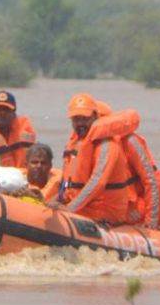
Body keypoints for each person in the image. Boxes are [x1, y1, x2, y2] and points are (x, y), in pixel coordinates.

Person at [50, 93, 133, 224]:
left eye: (85, 119)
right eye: (76, 119)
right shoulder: (76, 144)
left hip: (105, 212)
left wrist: (69, 209)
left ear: (95, 117)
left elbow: (97, 183)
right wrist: (56, 199)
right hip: (84, 207)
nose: (80, 123)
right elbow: (67, 182)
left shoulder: (107, 145)